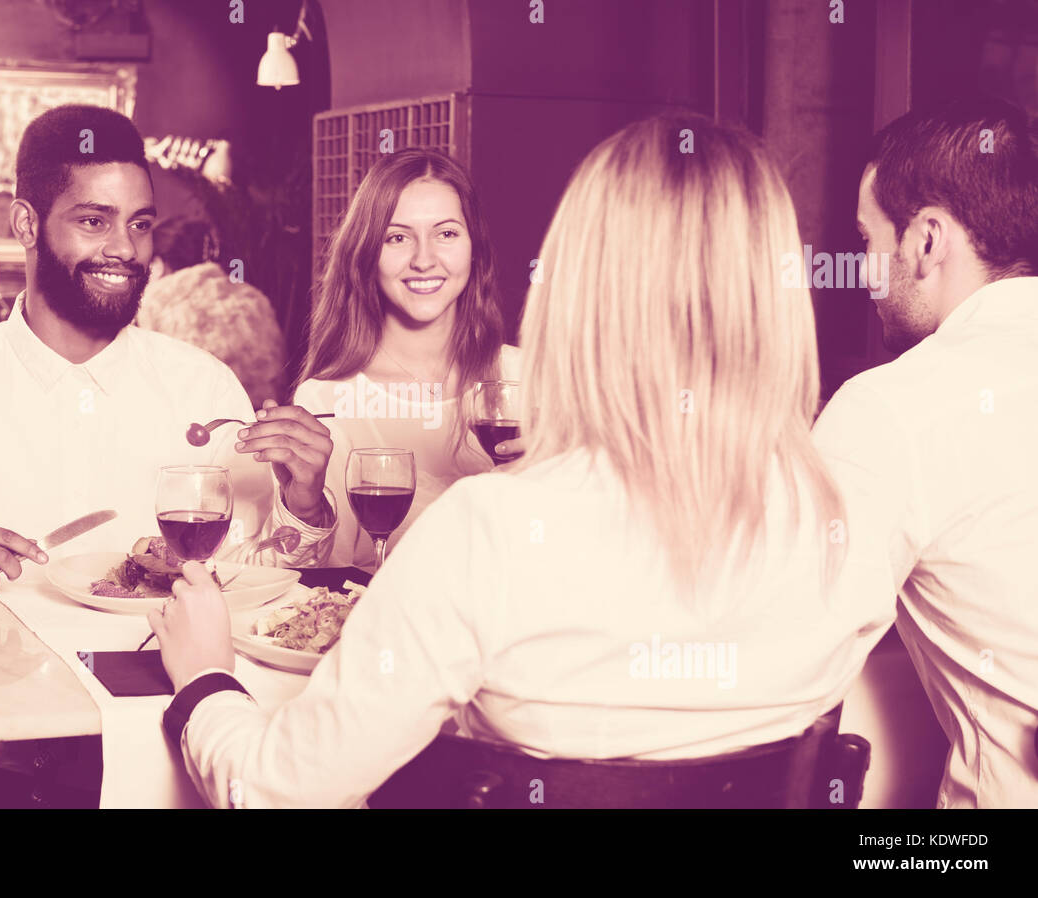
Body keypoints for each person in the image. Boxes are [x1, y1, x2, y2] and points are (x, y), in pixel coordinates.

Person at [146, 115, 893, 808]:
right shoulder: (854, 524)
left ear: (577, 283)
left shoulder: (486, 533)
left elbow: (276, 790)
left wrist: (207, 680)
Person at [0, 104, 337, 806]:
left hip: (194, 708)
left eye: (139, 223)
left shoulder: (202, 381)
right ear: (25, 225)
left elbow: (266, 581)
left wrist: (304, 503)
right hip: (15, 743)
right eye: (92, 220)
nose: (125, 249)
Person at [813, 95, 1038, 808]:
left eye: (868, 240)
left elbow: (794, 645)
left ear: (928, 240)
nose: (865, 274)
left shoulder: (891, 406)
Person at [294, 148, 518, 567]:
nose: (423, 259)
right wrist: (304, 506)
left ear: (475, 247)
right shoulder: (325, 400)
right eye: (397, 237)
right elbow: (321, 581)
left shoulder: (529, 380)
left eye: (446, 233)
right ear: (366, 255)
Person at [136, 218, 287, 408]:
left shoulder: (156, 301)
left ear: (156, 265)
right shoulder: (252, 298)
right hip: (255, 418)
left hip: (194, 424)